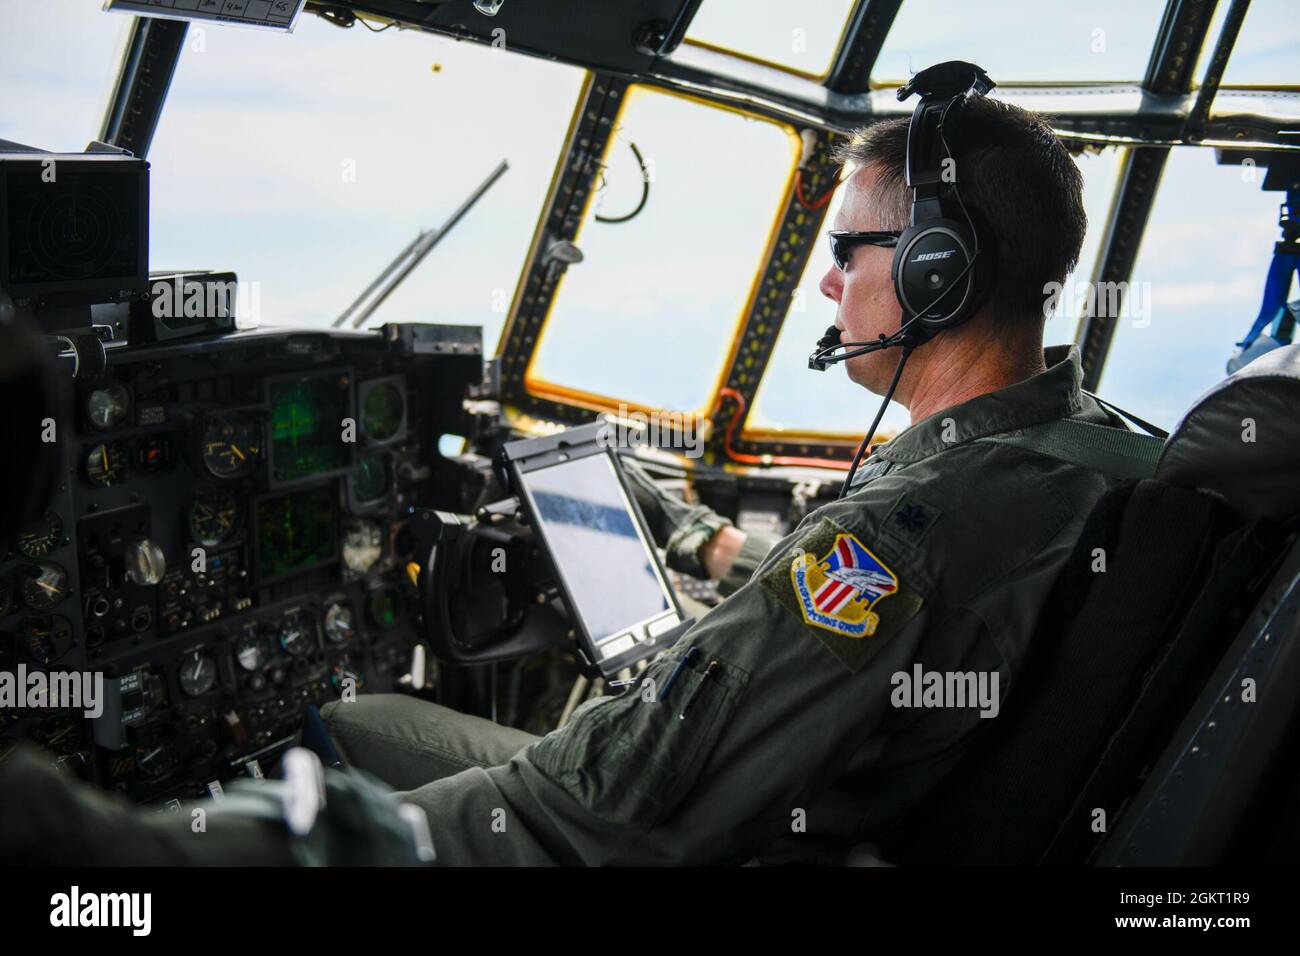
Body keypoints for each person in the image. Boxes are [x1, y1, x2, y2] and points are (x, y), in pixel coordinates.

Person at [315, 94, 1136, 865]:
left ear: (938, 271)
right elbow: (878, 606)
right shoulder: (1103, 450)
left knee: (356, 722)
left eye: (847, 251)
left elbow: (608, 804)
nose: (828, 281)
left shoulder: (914, 526)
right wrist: (710, 547)